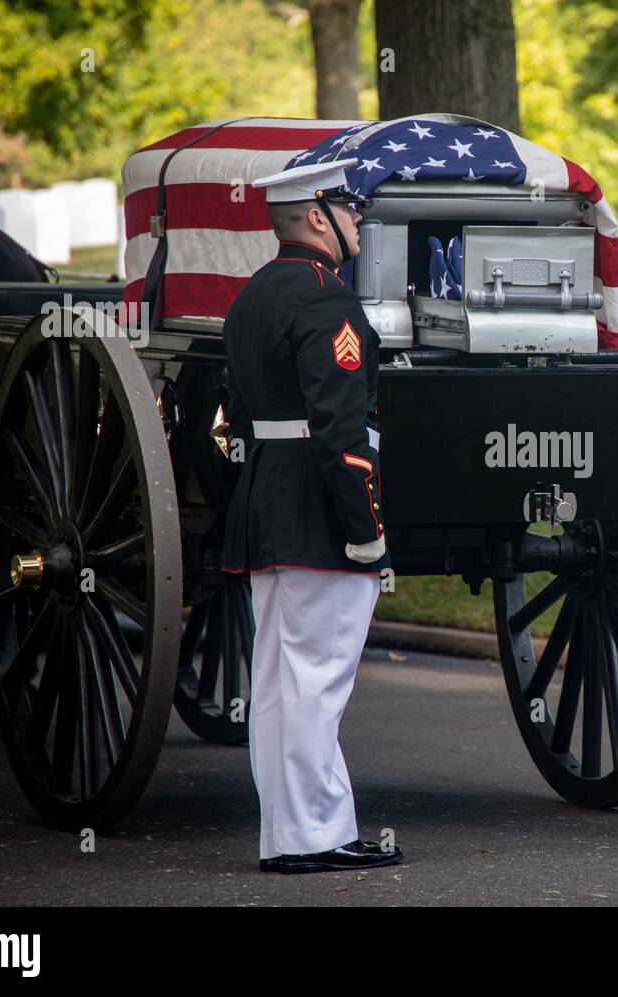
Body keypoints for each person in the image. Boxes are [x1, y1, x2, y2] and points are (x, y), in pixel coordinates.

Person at [220, 157, 402, 874]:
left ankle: (295, 828)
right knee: (315, 681)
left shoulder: (253, 296)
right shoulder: (326, 303)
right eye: (350, 210)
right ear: (319, 217)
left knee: (279, 681)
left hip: (270, 503)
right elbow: (339, 435)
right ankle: (310, 835)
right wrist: (366, 531)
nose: (359, 222)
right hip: (318, 515)